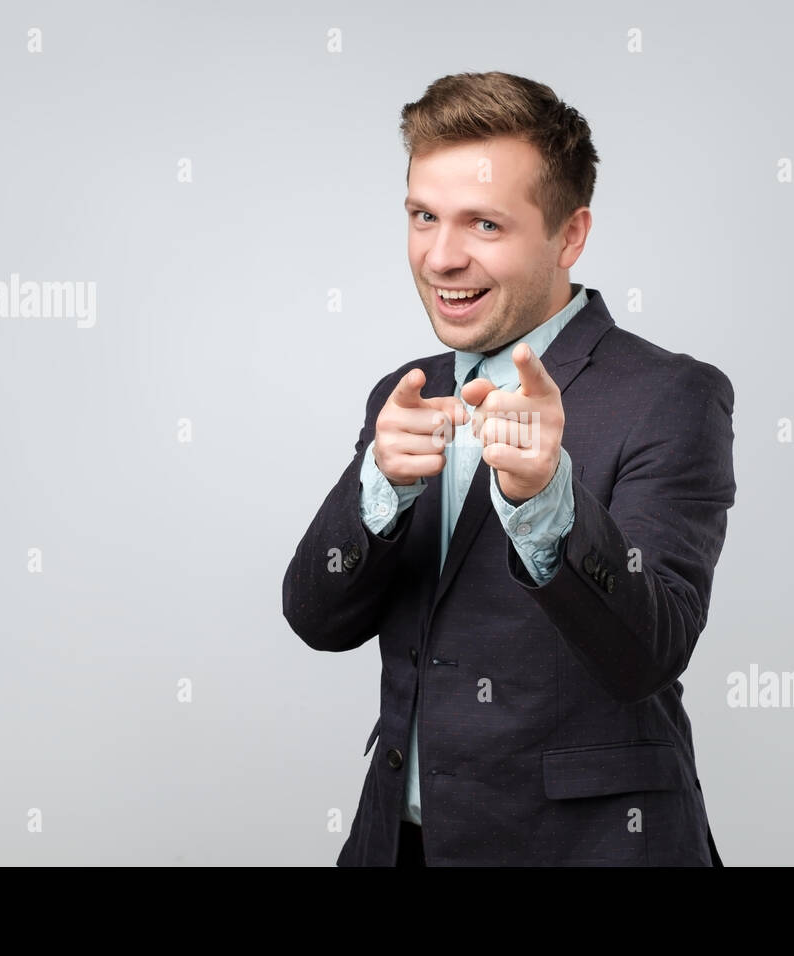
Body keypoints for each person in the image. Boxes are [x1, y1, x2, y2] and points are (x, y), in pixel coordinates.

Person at [282, 71, 737, 866]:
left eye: (484, 224)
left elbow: (649, 652)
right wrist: (379, 494)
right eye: (423, 217)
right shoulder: (404, 391)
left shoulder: (672, 396)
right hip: (397, 844)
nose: (441, 257)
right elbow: (317, 619)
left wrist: (548, 503)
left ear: (569, 235)